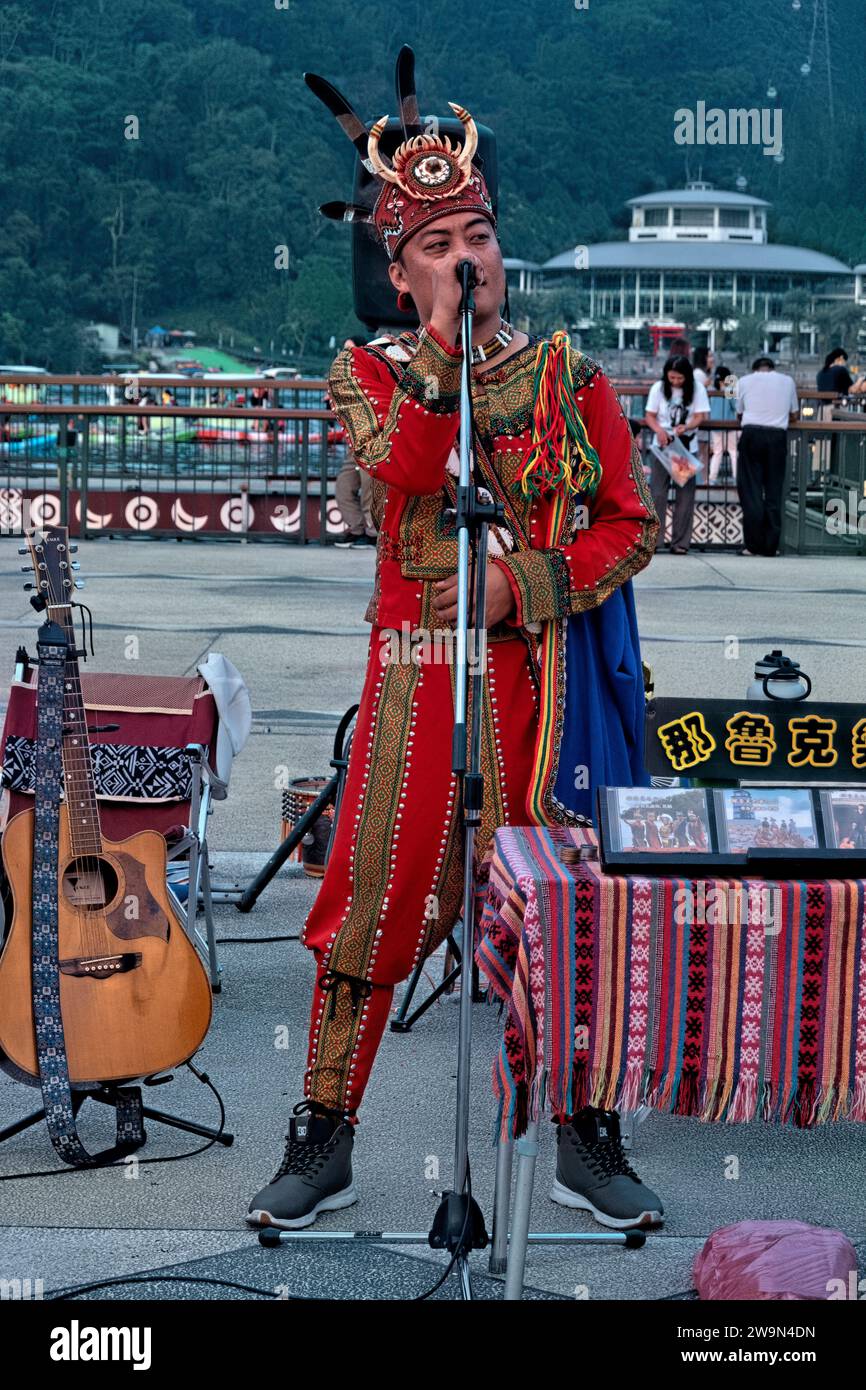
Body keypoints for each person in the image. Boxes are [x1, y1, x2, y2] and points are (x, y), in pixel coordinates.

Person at [247, 60, 662, 1235]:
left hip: (541, 680)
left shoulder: (571, 378)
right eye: (438, 245)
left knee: (564, 903)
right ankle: (322, 1131)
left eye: (477, 233)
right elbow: (405, 470)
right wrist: (438, 346)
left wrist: (522, 581)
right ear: (398, 270)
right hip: (417, 687)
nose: (465, 258)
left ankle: (583, 1131)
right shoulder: (366, 374)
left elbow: (632, 524)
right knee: (373, 899)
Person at [735, 356, 799, 556]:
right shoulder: (788, 381)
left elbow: (739, 413)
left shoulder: (743, 381)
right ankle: (771, 546)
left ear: (755, 369)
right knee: (773, 490)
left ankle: (753, 545)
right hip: (777, 436)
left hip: (752, 434)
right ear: (772, 368)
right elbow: (794, 414)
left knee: (751, 490)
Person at [645, 355, 709, 554]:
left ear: (687, 377)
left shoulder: (697, 389)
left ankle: (680, 543)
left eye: (679, 379)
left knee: (685, 496)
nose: (675, 382)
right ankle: (654, 541)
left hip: (685, 447)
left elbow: (700, 416)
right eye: (672, 378)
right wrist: (659, 431)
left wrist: (687, 426)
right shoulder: (658, 388)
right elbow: (650, 416)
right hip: (663, 446)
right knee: (657, 494)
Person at [333, 336, 378, 548]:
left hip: (372, 437)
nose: (345, 355)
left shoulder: (371, 370)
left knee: (369, 487)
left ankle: (372, 532)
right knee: (344, 485)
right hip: (354, 439)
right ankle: (357, 528)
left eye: (349, 350)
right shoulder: (344, 375)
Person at [708, 362, 738, 483]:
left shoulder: (711, 390)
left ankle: (712, 478)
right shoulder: (730, 390)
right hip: (729, 425)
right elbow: (735, 406)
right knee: (733, 452)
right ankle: (736, 478)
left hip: (715, 425)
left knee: (717, 452)